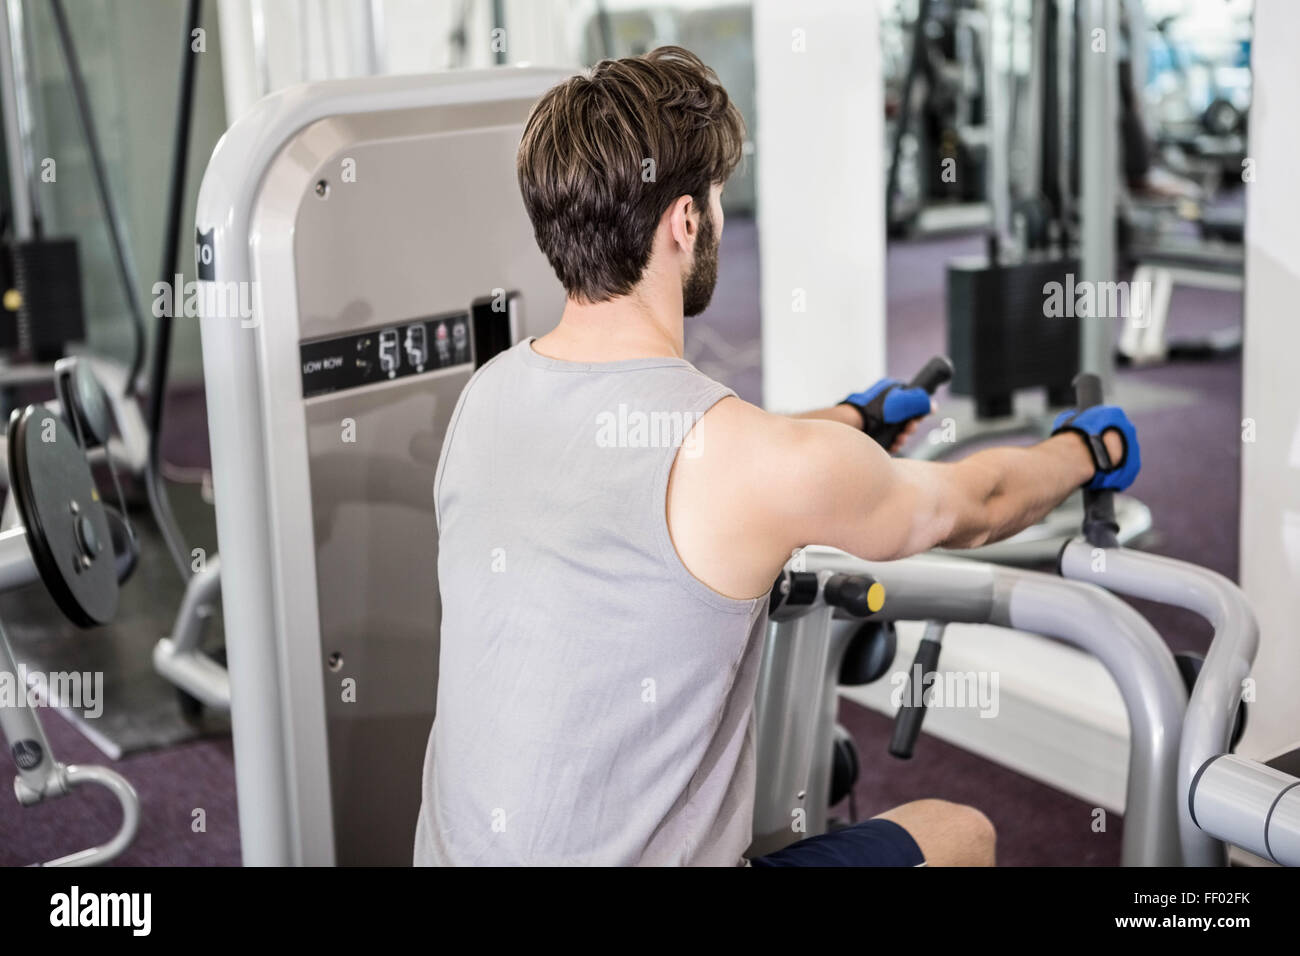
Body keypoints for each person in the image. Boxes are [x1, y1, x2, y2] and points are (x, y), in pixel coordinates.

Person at [414, 46, 1140, 867]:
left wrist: (844, 420)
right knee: (959, 833)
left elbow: (629, 458)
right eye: (717, 201)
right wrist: (1089, 448)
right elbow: (975, 504)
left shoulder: (489, 395)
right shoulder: (750, 460)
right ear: (685, 222)